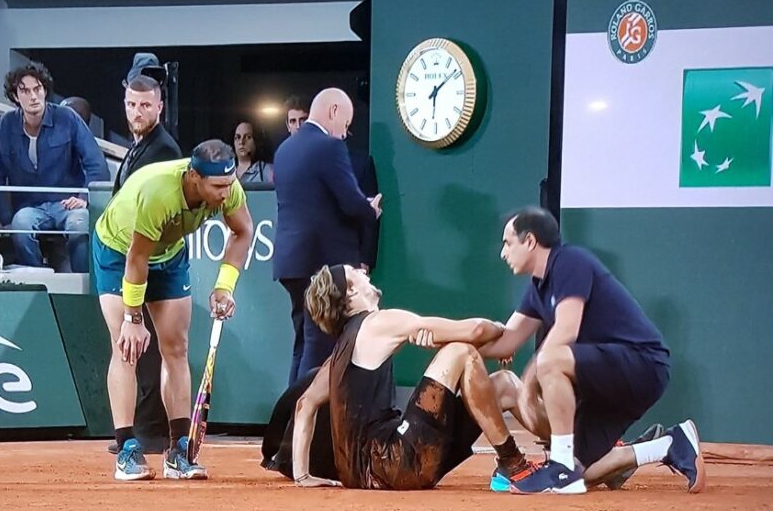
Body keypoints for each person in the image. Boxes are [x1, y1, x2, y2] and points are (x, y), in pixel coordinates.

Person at [477, 207, 704, 494]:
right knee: (587, 472)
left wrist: (533, 374)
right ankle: (670, 444)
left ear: (531, 241)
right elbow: (506, 341)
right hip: (605, 385)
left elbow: (566, 331)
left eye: (508, 243)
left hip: (642, 364)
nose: (502, 252)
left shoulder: (570, 261)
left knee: (550, 358)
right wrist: (454, 344)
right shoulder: (538, 286)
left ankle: (560, 466)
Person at [289, 264, 533, 490]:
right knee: (460, 351)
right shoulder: (378, 321)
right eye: (355, 272)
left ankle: (561, 455)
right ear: (350, 292)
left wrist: (302, 475)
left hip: (363, 474)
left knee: (503, 385)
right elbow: (475, 331)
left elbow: (304, 404)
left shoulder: (338, 355)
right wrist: (504, 332)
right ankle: (514, 465)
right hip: (396, 464)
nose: (364, 272)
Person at [93, 141, 253, 481]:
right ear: (194, 177)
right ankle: (126, 450)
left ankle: (179, 450)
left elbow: (243, 231)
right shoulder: (159, 193)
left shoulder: (229, 187)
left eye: (230, 184)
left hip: (168, 253)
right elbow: (137, 259)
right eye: (218, 187)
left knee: (176, 348)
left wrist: (224, 284)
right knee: (126, 348)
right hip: (119, 251)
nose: (227, 193)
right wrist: (133, 318)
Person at [273, 88, 381, 385]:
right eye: (345, 125)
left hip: (290, 263)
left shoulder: (285, 150)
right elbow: (350, 201)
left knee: (303, 344)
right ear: (333, 111)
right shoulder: (329, 147)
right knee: (318, 345)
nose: (345, 135)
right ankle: (310, 419)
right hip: (320, 263)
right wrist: (369, 209)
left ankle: (290, 423)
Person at [107, 74, 182, 455]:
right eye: (131, 105)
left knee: (152, 347)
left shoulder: (162, 150)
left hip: (147, 260)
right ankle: (142, 430)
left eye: (145, 105)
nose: (137, 112)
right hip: (131, 256)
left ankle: (152, 431)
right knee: (136, 347)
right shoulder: (140, 145)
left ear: (159, 106)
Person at [0, 62, 109, 272]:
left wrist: (83, 198)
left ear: (45, 91)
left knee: (80, 224)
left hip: (66, 204)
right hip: (29, 207)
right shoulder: (5, 125)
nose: (33, 96)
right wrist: (5, 217)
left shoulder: (67, 118)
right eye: (25, 91)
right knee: (20, 224)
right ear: (16, 96)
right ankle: (37, 281)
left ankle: (84, 284)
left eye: (37, 89)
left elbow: (96, 164)